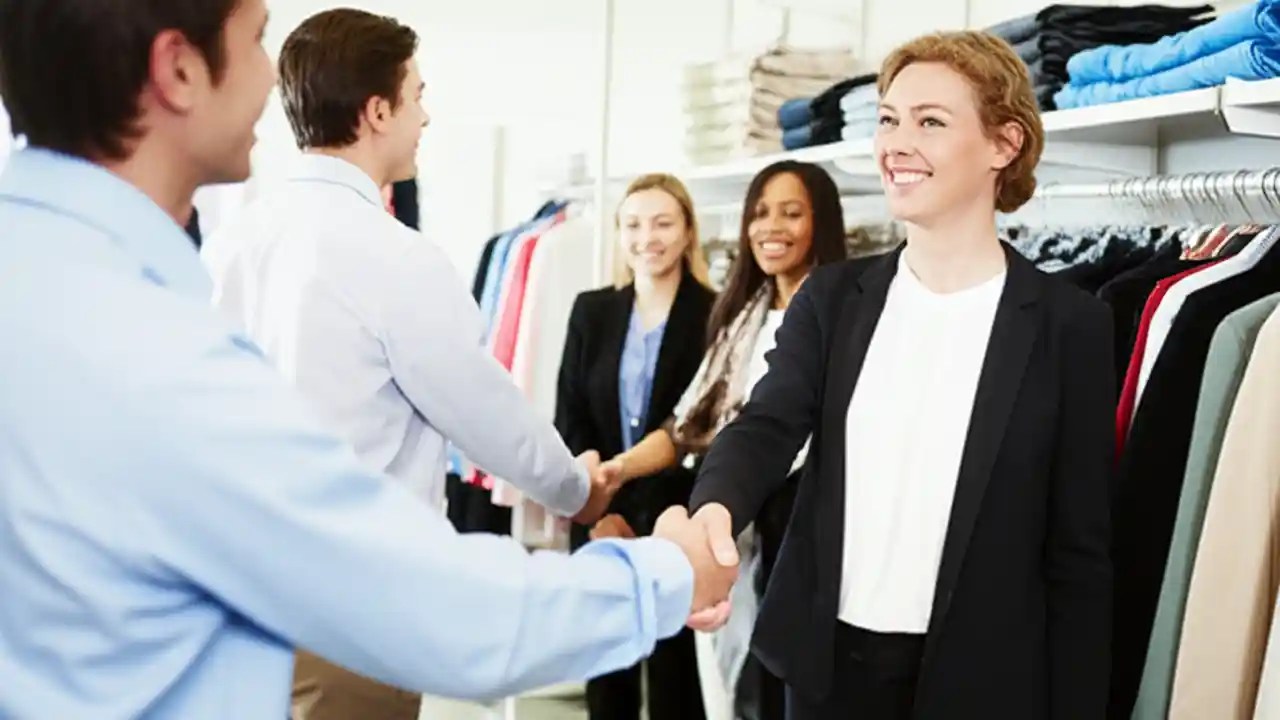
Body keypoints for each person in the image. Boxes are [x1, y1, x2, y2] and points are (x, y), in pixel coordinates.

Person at [0, 2, 738, 719]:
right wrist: (661, 569)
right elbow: (439, 579)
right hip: (343, 623)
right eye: (259, 38)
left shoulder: (150, 267)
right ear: (180, 69)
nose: (271, 82)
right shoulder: (155, 329)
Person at [200, 12, 627, 715]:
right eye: (417, 96)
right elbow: (488, 416)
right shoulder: (397, 258)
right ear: (377, 112)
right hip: (354, 602)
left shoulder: (238, 241)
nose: (425, 116)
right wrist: (579, 493)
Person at [683, 31, 1114, 719]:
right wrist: (715, 509)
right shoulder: (831, 301)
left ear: (1004, 145)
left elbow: (1080, 555)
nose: (895, 143)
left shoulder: (1071, 326)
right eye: (888, 119)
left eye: (930, 122)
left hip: (988, 681)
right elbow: (767, 424)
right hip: (829, 672)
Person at [595, 160, 850, 720]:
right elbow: (687, 426)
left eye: (791, 213)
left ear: (822, 223)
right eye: (759, 213)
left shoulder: (844, 316)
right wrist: (620, 469)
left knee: (777, 691)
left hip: (799, 538)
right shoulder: (742, 316)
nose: (770, 227)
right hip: (731, 530)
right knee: (727, 689)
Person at [556, 173, 717, 719]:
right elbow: (571, 418)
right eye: (633, 224)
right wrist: (599, 512)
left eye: (663, 223)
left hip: (678, 519)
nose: (647, 237)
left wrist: (650, 516)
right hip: (602, 517)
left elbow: (700, 428)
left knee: (677, 679)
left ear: (688, 232)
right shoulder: (592, 311)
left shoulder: (716, 314)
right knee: (608, 671)